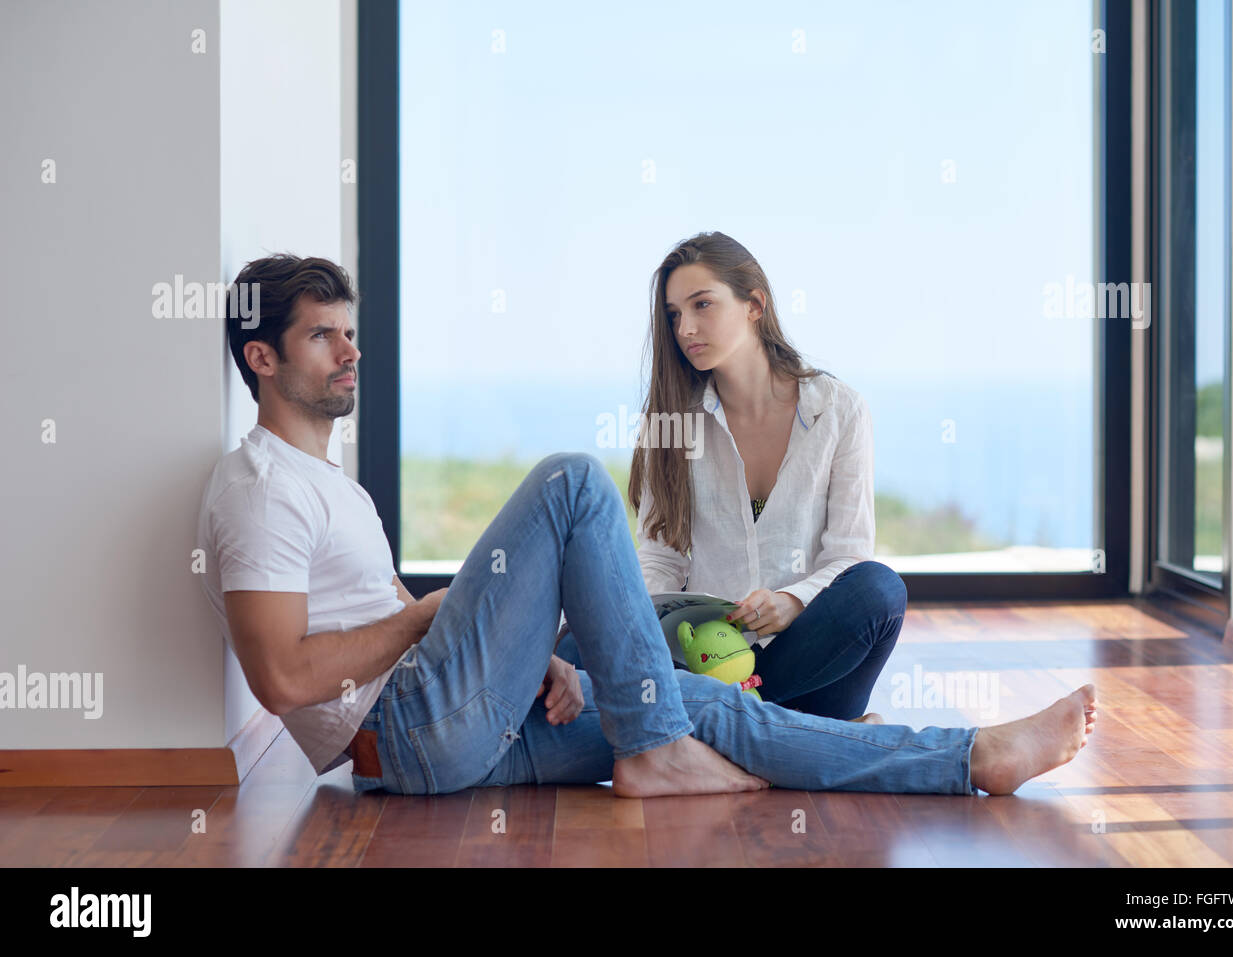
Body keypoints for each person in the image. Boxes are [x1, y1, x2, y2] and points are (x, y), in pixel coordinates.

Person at [197, 253, 1098, 801]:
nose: (352, 350)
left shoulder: (328, 483)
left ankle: (974, 757)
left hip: (460, 729)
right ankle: (655, 748)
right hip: (406, 734)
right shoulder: (258, 488)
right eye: (324, 337)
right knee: (573, 484)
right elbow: (279, 680)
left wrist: (534, 658)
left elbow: (383, 612)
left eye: (351, 332)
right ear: (263, 357)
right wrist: (428, 614)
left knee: (707, 705)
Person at [557, 231, 902, 724]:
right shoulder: (671, 422)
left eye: (702, 305)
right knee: (575, 642)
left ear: (754, 305)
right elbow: (659, 558)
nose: (686, 328)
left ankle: (722, 727)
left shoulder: (839, 409)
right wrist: (639, 616)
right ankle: (785, 734)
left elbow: (847, 555)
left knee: (879, 590)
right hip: (705, 660)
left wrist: (791, 602)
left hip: (804, 662)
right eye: (675, 314)